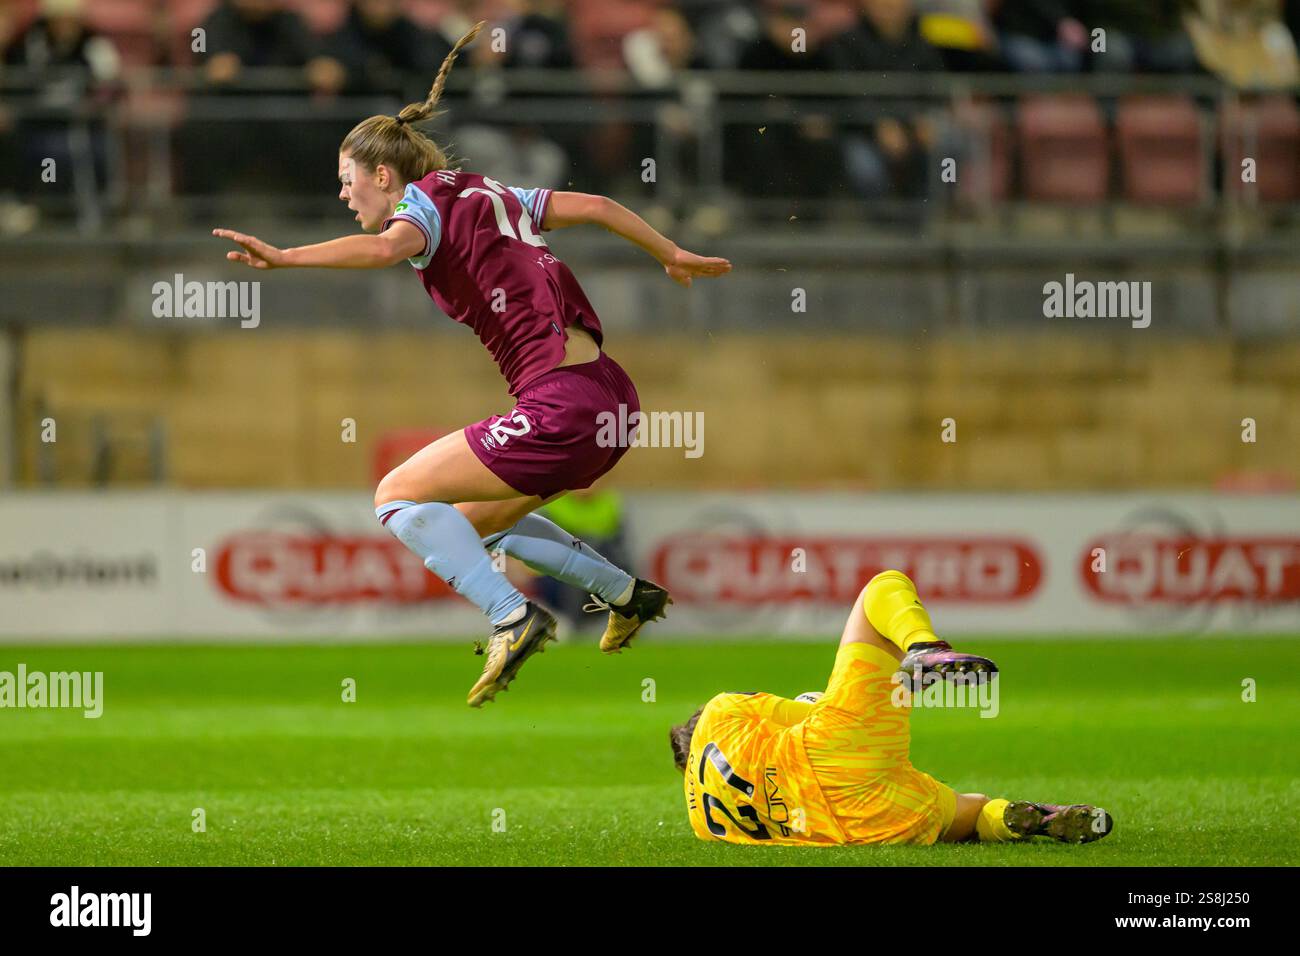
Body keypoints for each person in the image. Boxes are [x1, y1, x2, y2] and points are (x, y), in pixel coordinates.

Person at [213, 23, 731, 707]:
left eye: (348, 182)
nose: (345, 196)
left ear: (381, 174)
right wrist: (670, 252)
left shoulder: (419, 205)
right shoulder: (493, 191)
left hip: (561, 405)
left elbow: (381, 251)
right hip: (613, 398)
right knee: (475, 522)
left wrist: (285, 258)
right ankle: (625, 593)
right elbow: (601, 205)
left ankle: (513, 617)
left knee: (396, 497)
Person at [670, 570, 1114, 846]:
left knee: (971, 813)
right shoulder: (719, 713)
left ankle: (1016, 819)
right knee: (880, 588)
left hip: (861, 827)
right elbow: (806, 711)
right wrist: (817, 702)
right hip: (831, 754)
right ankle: (923, 647)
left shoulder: (702, 822)